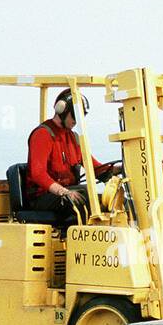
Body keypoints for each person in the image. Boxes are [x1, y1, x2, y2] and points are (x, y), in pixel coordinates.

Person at [26, 88, 118, 225]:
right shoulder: (43, 134)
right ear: (61, 110)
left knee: (107, 199)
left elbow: (95, 167)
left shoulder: (72, 137)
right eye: (75, 115)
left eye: (82, 116)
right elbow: (38, 173)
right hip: (44, 197)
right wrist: (63, 192)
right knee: (86, 196)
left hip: (67, 192)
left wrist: (121, 168)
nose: (77, 120)